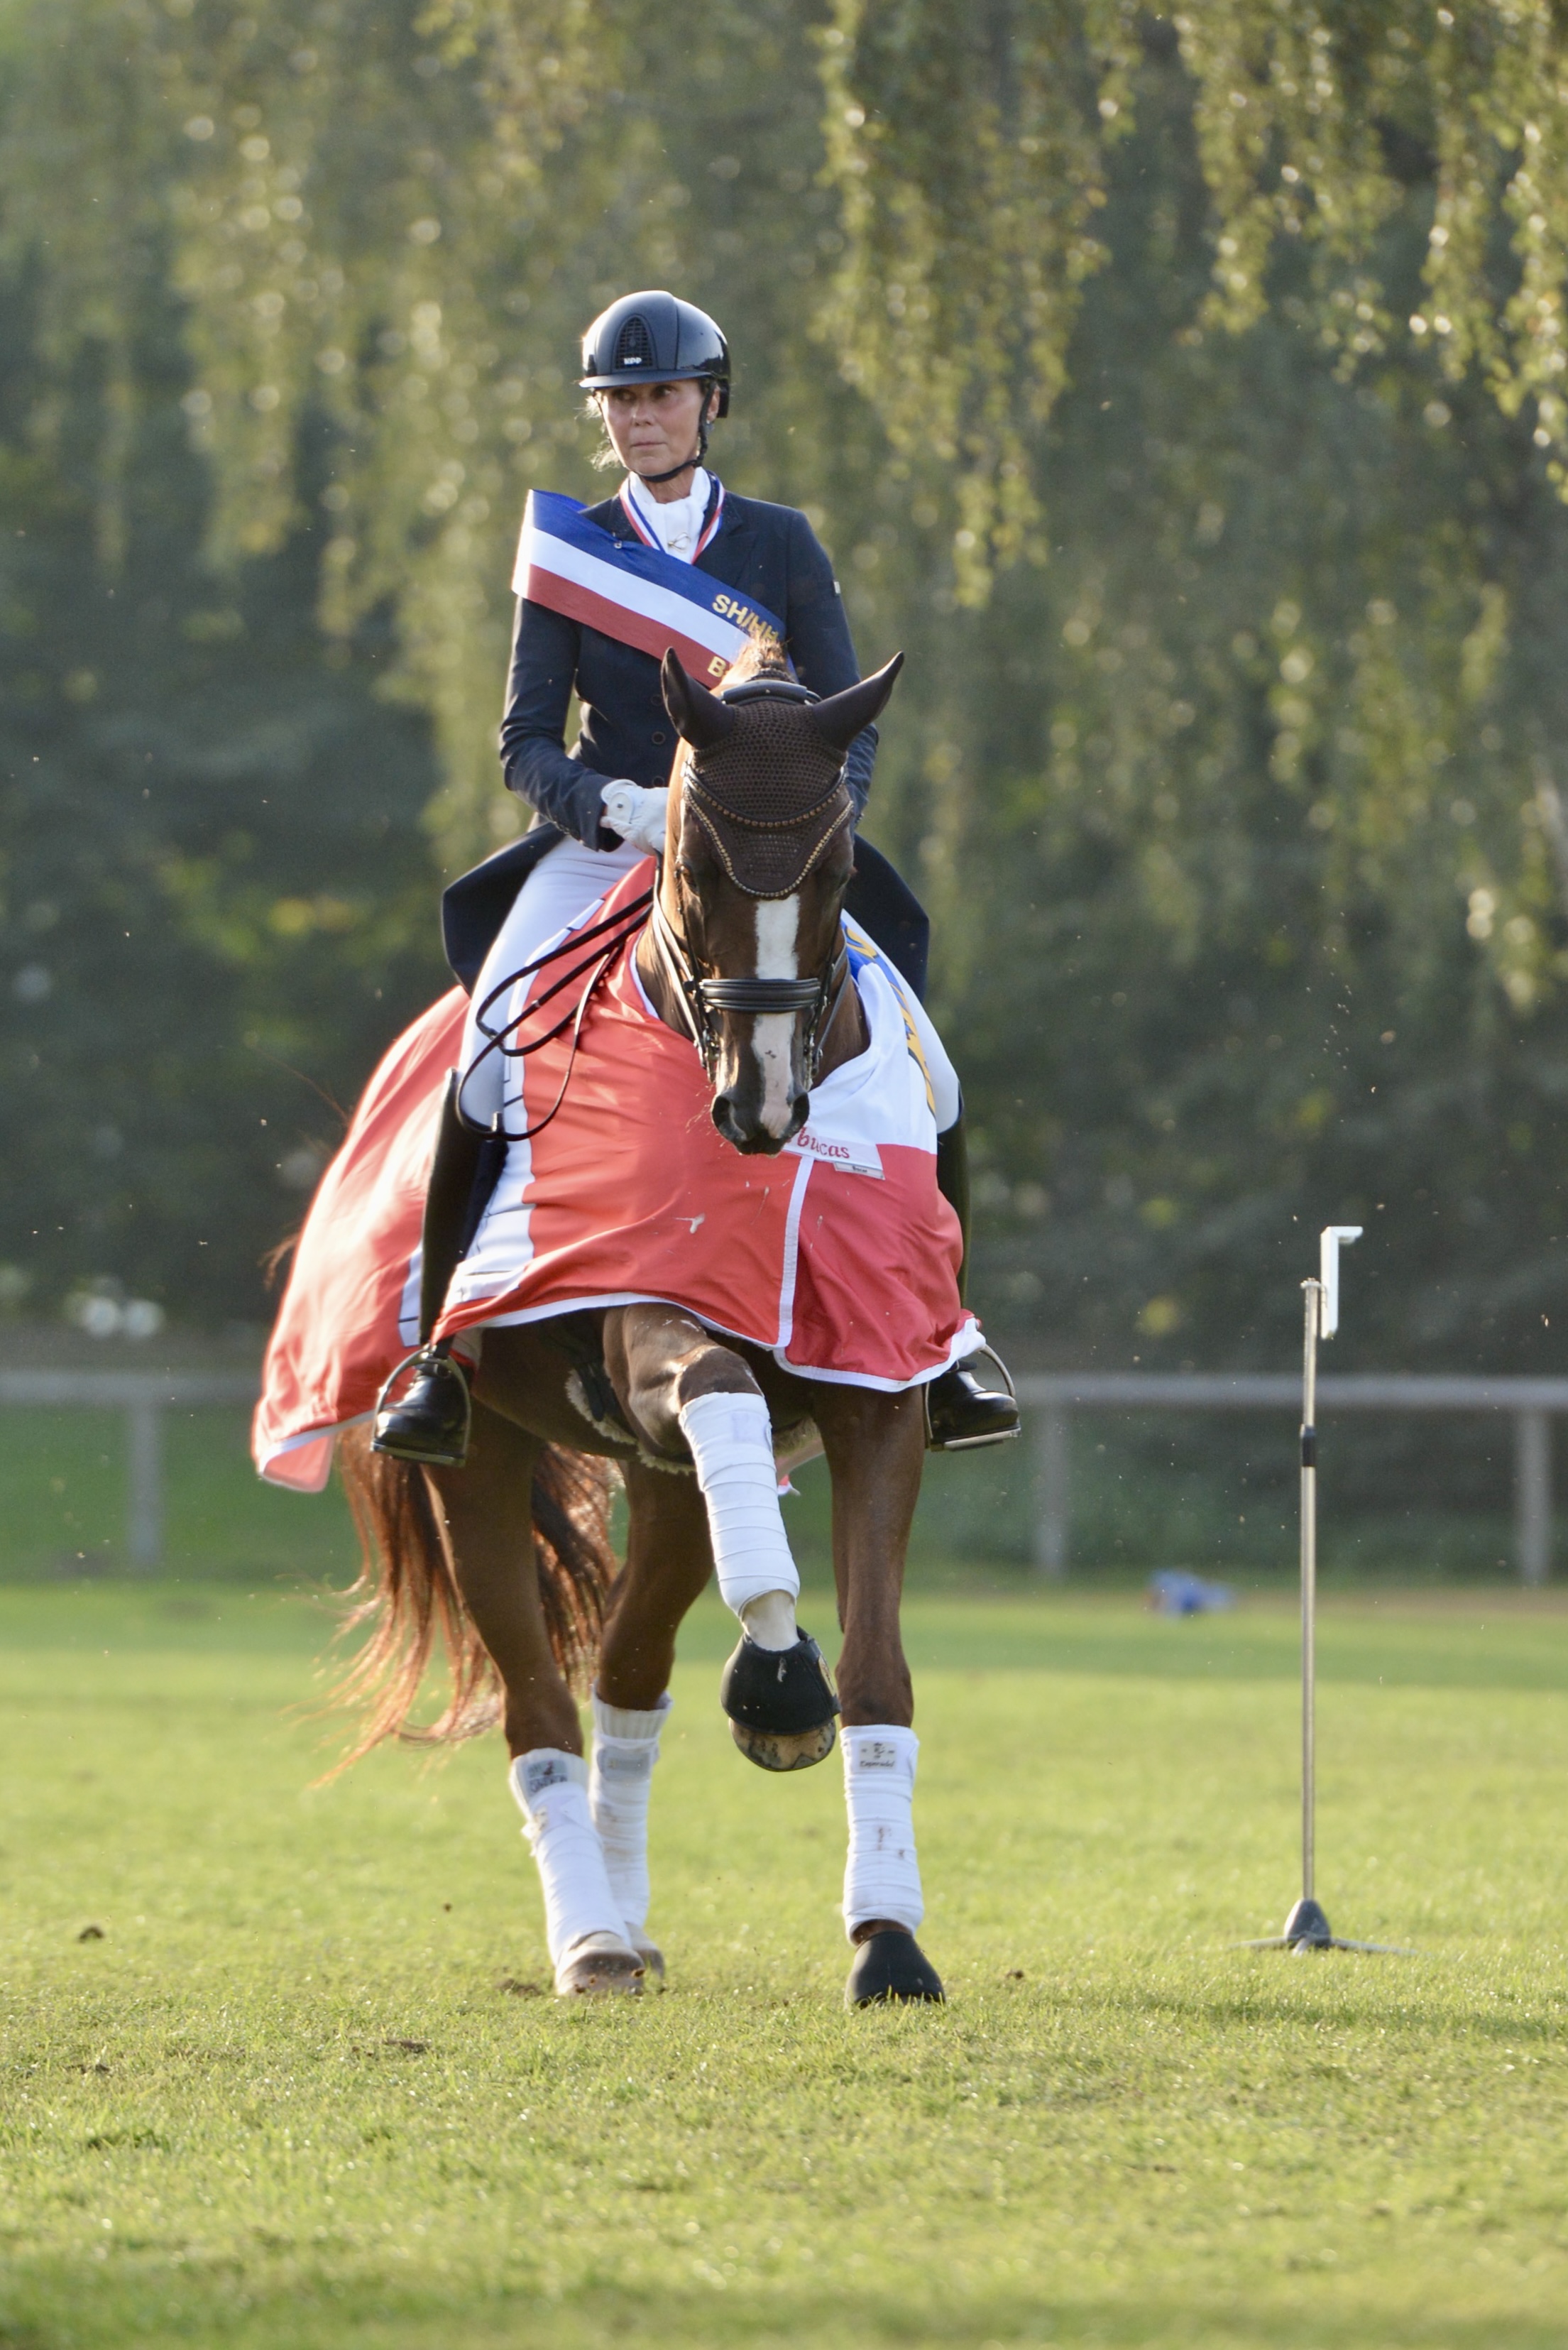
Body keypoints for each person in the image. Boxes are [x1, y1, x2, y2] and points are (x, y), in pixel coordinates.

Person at [375, 290, 1018, 1463]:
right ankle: (438, 1354)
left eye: (661, 394)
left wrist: (808, 822)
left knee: (930, 1066)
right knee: (483, 1056)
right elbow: (522, 739)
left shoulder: (779, 540)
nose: (640, 417)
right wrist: (607, 805)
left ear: (708, 403)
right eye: (619, 401)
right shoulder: (570, 550)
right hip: (604, 840)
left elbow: (846, 718)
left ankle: (947, 1339)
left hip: (765, 847)